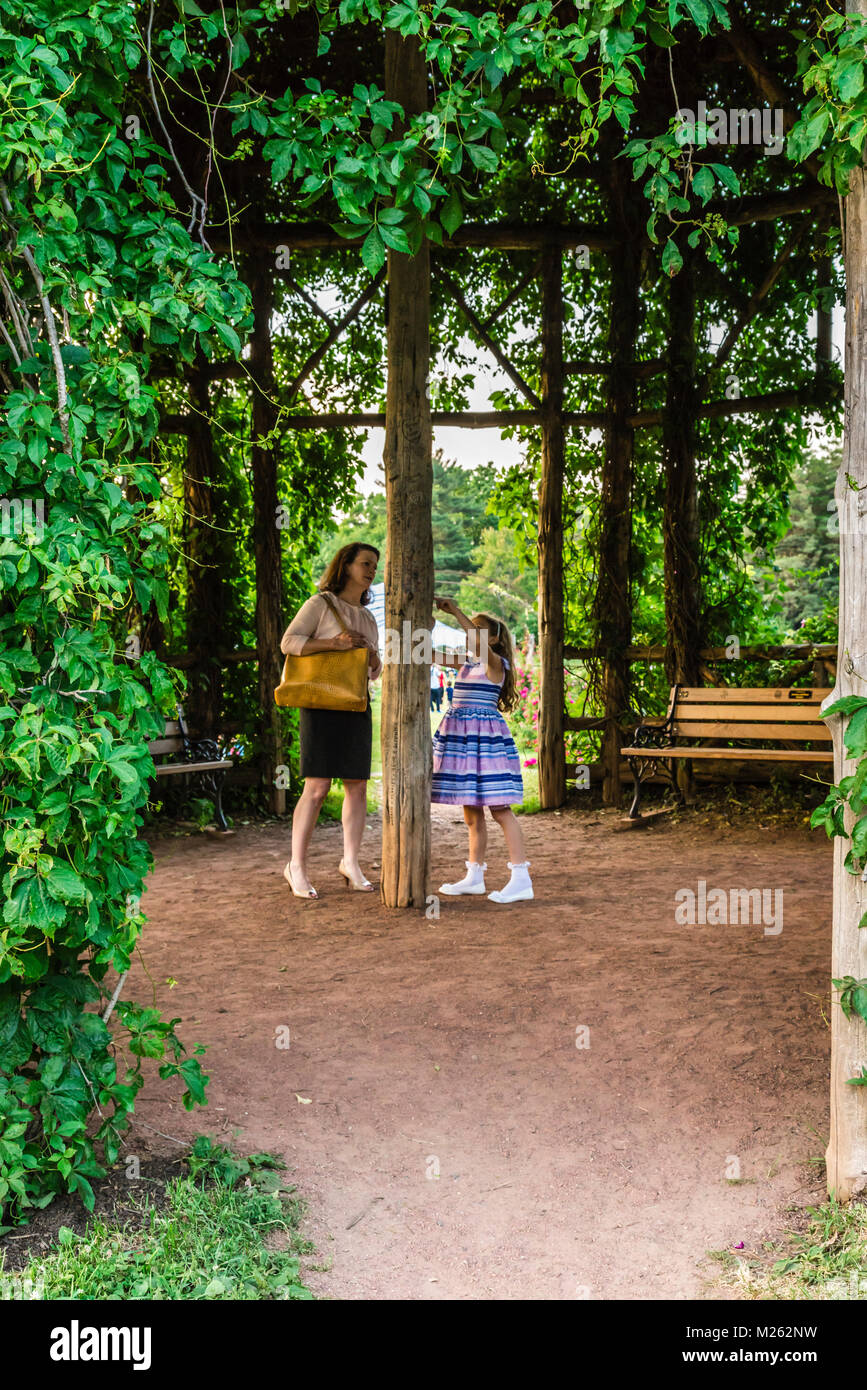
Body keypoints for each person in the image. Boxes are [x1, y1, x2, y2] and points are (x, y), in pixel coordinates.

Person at [279, 543, 382, 898]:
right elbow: (288, 643)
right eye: (365, 563)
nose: (371, 571)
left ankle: (350, 862)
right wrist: (335, 645)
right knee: (318, 786)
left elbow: (376, 671)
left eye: (374, 566)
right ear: (346, 565)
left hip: (356, 703)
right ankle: (296, 866)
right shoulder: (320, 604)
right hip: (320, 703)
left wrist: (371, 656)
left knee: (357, 786)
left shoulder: (368, 618)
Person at [430, 597, 533, 904]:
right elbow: (423, 655)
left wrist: (454, 611)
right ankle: (474, 877)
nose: (469, 634)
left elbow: (475, 641)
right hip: (462, 743)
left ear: (494, 639)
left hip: (486, 744)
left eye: (477, 630)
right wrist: (428, 624)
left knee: (500, 809)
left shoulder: (494, 664)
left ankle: (521, 878)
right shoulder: (466, 661)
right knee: (471, 810)